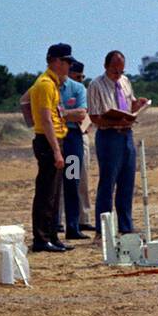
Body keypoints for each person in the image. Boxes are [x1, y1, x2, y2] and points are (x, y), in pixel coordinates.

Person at [87, 51, 149, 235]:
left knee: (127, 182)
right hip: (108, 137)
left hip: (127, 134)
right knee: (108, 182)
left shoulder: (125, 81)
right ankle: (104, 228)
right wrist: (114, 122)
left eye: (121, 70)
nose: (118, 74)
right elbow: (94, 117)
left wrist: (138, 105)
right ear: (106, 66)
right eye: (115, 70)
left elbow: (129, 105)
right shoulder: (95, 85)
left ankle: (125, 226)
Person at [29, 43, 75, 253]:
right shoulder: (46, 84)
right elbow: (46, 120)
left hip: (55, 139)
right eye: (66, 62)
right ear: (56, 61)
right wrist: (56, 150)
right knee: (46, 192)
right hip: (49, 140)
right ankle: (41, 238)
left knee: (55, 193)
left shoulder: (52, 84)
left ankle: (52, 235)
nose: (68, 66)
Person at [58, 59, 91, 239]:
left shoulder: (78, 89)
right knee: (54, 183)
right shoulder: (49, 86)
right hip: (55, 138)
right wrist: (69, 115)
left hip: (73, 138)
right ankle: (55, 223)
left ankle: (73, 225)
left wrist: (62, 113)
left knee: (72, 181)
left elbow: (81, 113)